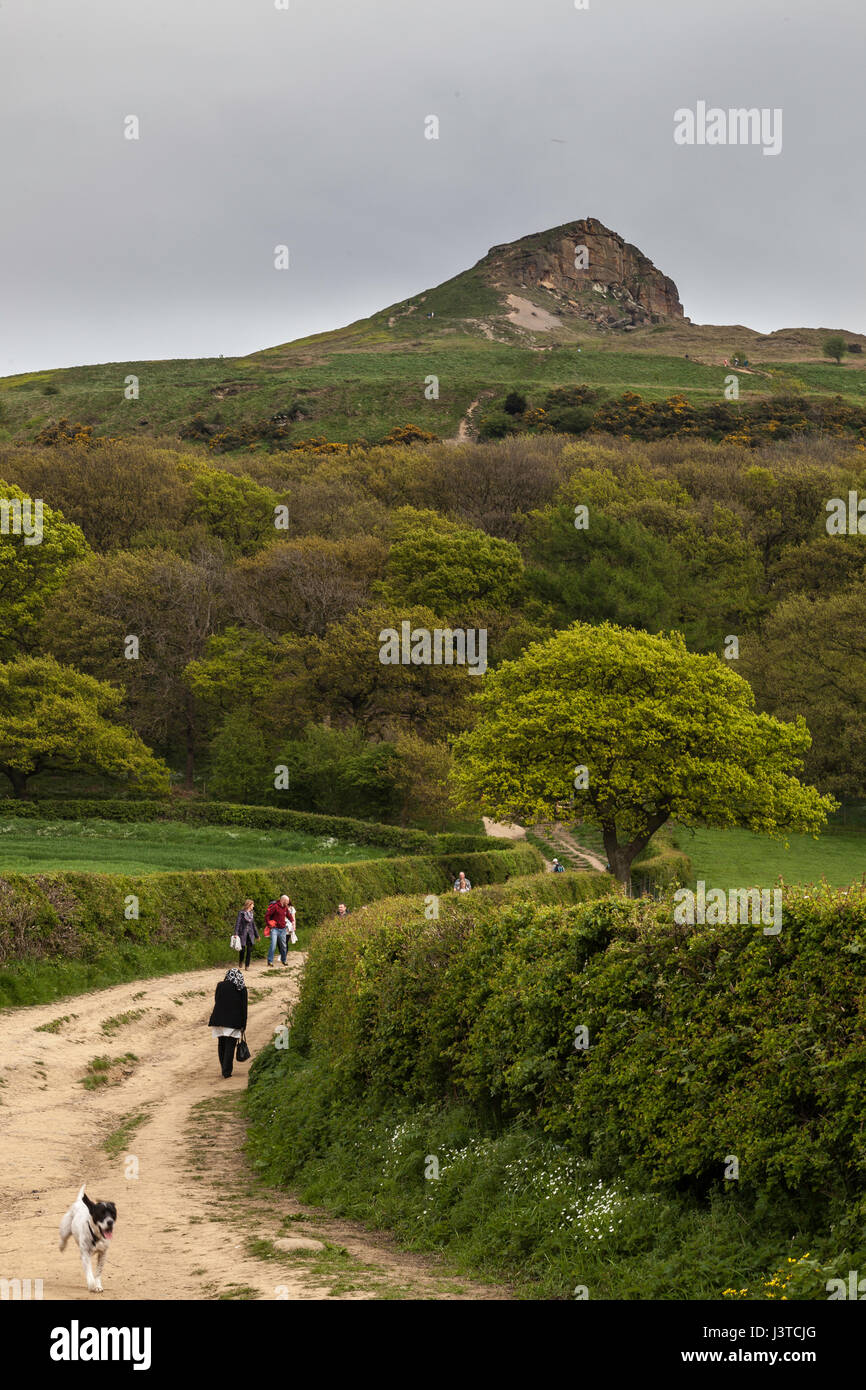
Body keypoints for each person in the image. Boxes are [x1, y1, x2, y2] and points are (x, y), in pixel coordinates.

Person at [208, 967, 248, 1079]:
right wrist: (243, 1025)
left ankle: (224, 1068)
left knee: (221, 1044)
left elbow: (217, 1000)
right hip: (234, 1021)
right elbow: (244, 1008)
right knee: (230, 1046)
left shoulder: (220, 985)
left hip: (218, 1019)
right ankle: (227, 1071)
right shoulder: (241, 988)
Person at [265, 894, 292, 966]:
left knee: (284, 946)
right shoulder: (275, 906)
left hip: (283, 929)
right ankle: (270, 961)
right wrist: (269, 924)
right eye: (287, 901)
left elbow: (289, 915)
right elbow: (267, 915)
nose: (288, 903)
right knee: (273, 945)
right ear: (283, 900)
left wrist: (292, 921)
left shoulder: (285, 908)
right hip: (274, 929)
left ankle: (284, 960)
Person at [234, 898, 258, 968]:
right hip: (242, 933)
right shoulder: (241, 913)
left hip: (250, 934)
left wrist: (257, 935)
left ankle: (247, 965)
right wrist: (236, 933)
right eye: (252, 904)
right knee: (243, 949)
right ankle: (241, 960)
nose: (253, 906)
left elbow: (253, 925)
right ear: (249, 905)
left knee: (249, 950)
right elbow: (238, 923)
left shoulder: (251, 914)